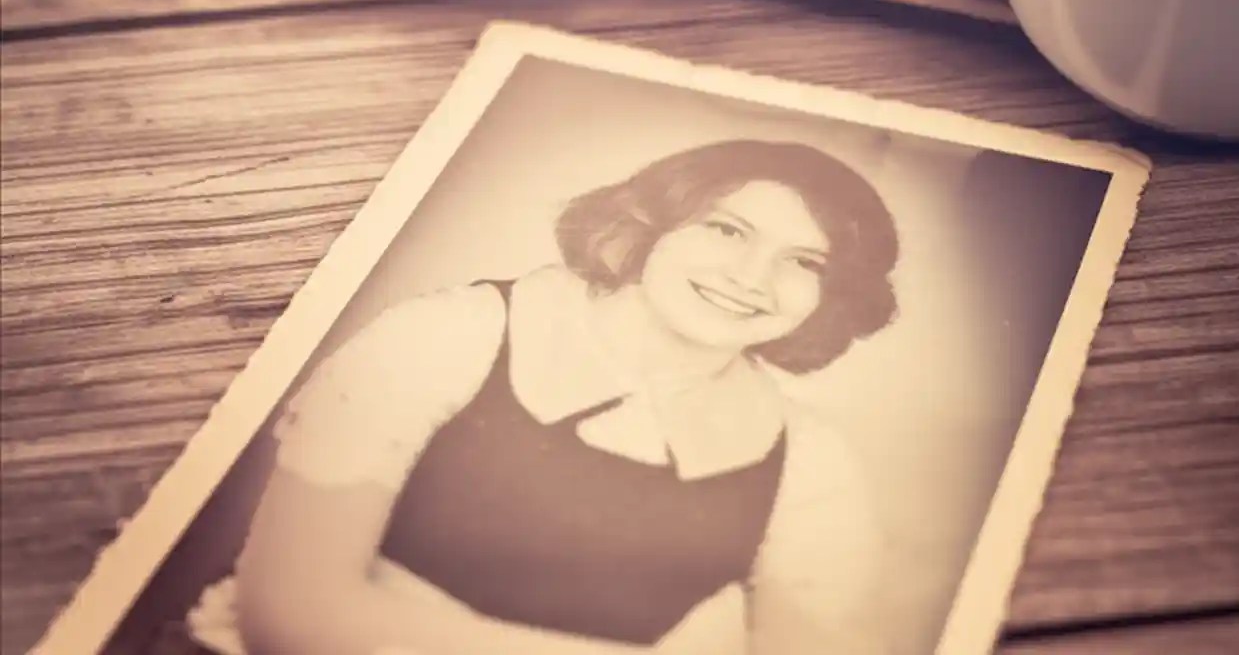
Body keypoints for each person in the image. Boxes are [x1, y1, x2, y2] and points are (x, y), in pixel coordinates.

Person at [187, 139, 901, 655]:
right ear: (647, 226)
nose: (752, 276)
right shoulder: (451, 334)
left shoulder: (810, 461)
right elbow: (290, 612)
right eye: (726, 229)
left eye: (804, 263)